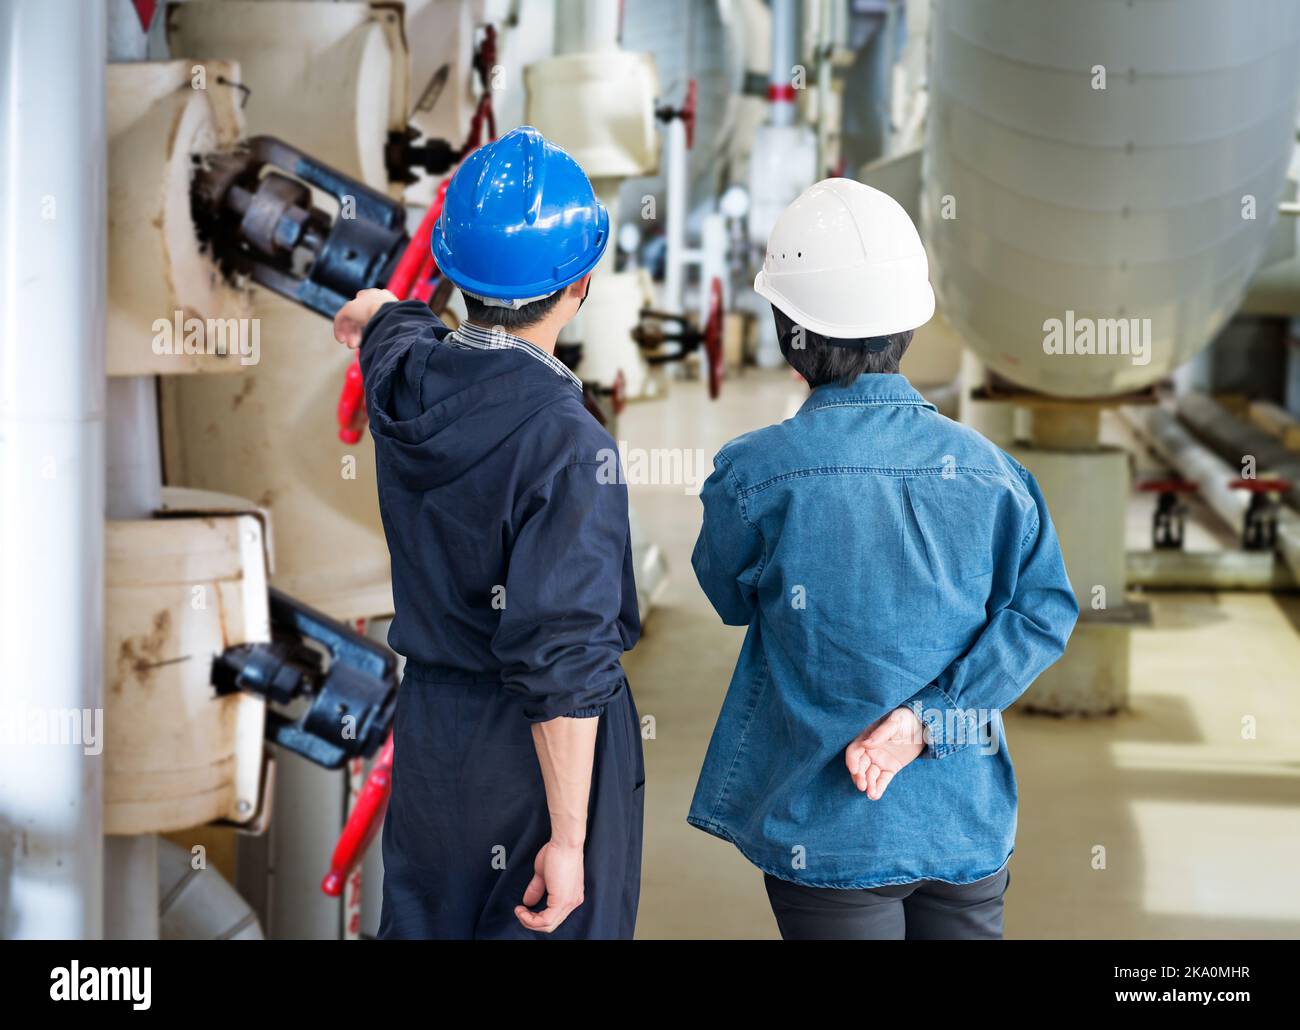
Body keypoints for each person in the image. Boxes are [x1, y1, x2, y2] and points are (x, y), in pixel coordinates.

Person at [688, 177, 1079, 940]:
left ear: (788, 331)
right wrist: (930, 720)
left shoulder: (757, 473)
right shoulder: (994, 474)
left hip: (828, 828)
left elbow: (731, 597)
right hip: (962, 821)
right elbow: (1045, 610)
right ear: (908, 321)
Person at [332, 126, 643, 939]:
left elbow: (390, 319)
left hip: (432, 740)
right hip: (529, 753)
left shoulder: (402, 374)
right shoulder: (570, 448)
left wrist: (368, 312)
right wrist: (569, 841)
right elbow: (562, 657)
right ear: (579, 284)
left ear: (455, 274)